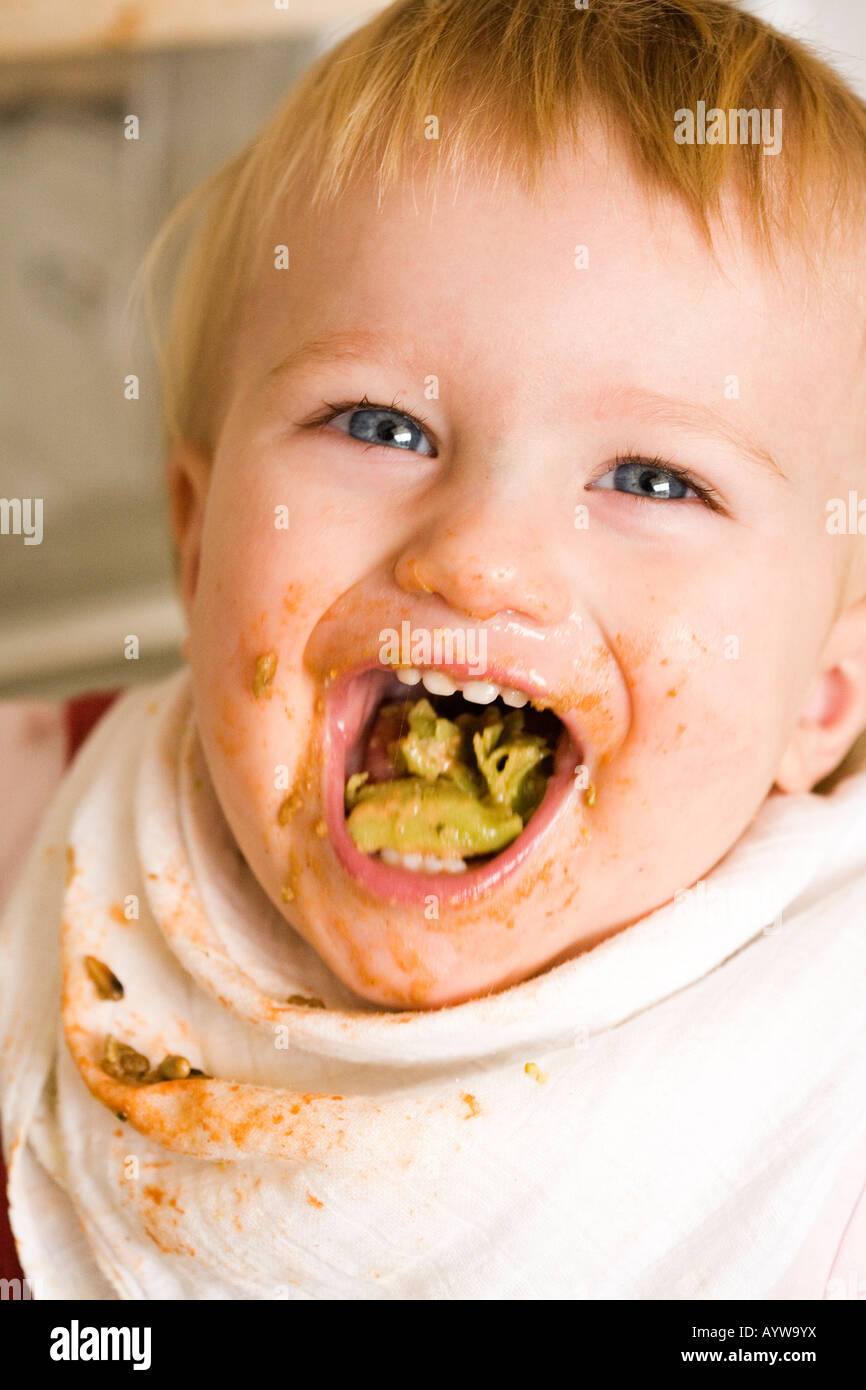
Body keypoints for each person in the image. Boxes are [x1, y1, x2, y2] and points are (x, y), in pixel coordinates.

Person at [2, 0, 866, 1299]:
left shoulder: (819, 1128)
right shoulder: (34, 823)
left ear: (822, 693)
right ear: (194, 536)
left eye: (649, 476)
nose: (479, 554)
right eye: (379, 424)